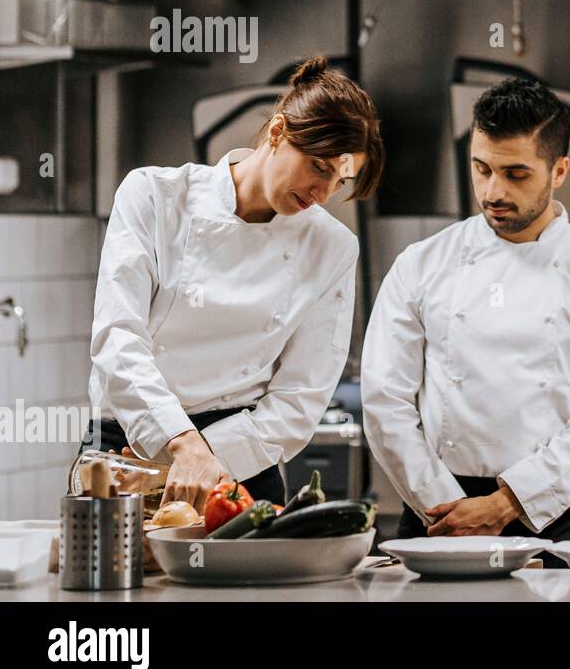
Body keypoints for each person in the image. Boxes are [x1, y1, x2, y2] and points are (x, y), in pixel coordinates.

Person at [81, 56, 384, 508]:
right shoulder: (153, 195)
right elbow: (117, 338)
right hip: (128, 448)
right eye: (319, 168)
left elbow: (300, 399)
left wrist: (205, 459)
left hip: (240, 465)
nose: (324, 195)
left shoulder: (333, 246)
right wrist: (180, 444)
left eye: (340, 181)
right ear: (278, 132)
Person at [362, 78, 570, 553]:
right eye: (481, 169)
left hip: (554, 514)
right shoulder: (422, 263)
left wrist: (507, 502)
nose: (493, 190)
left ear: (559, 171)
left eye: (516, 174)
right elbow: (384, 397)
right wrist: (444, 504)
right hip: (439, 512)